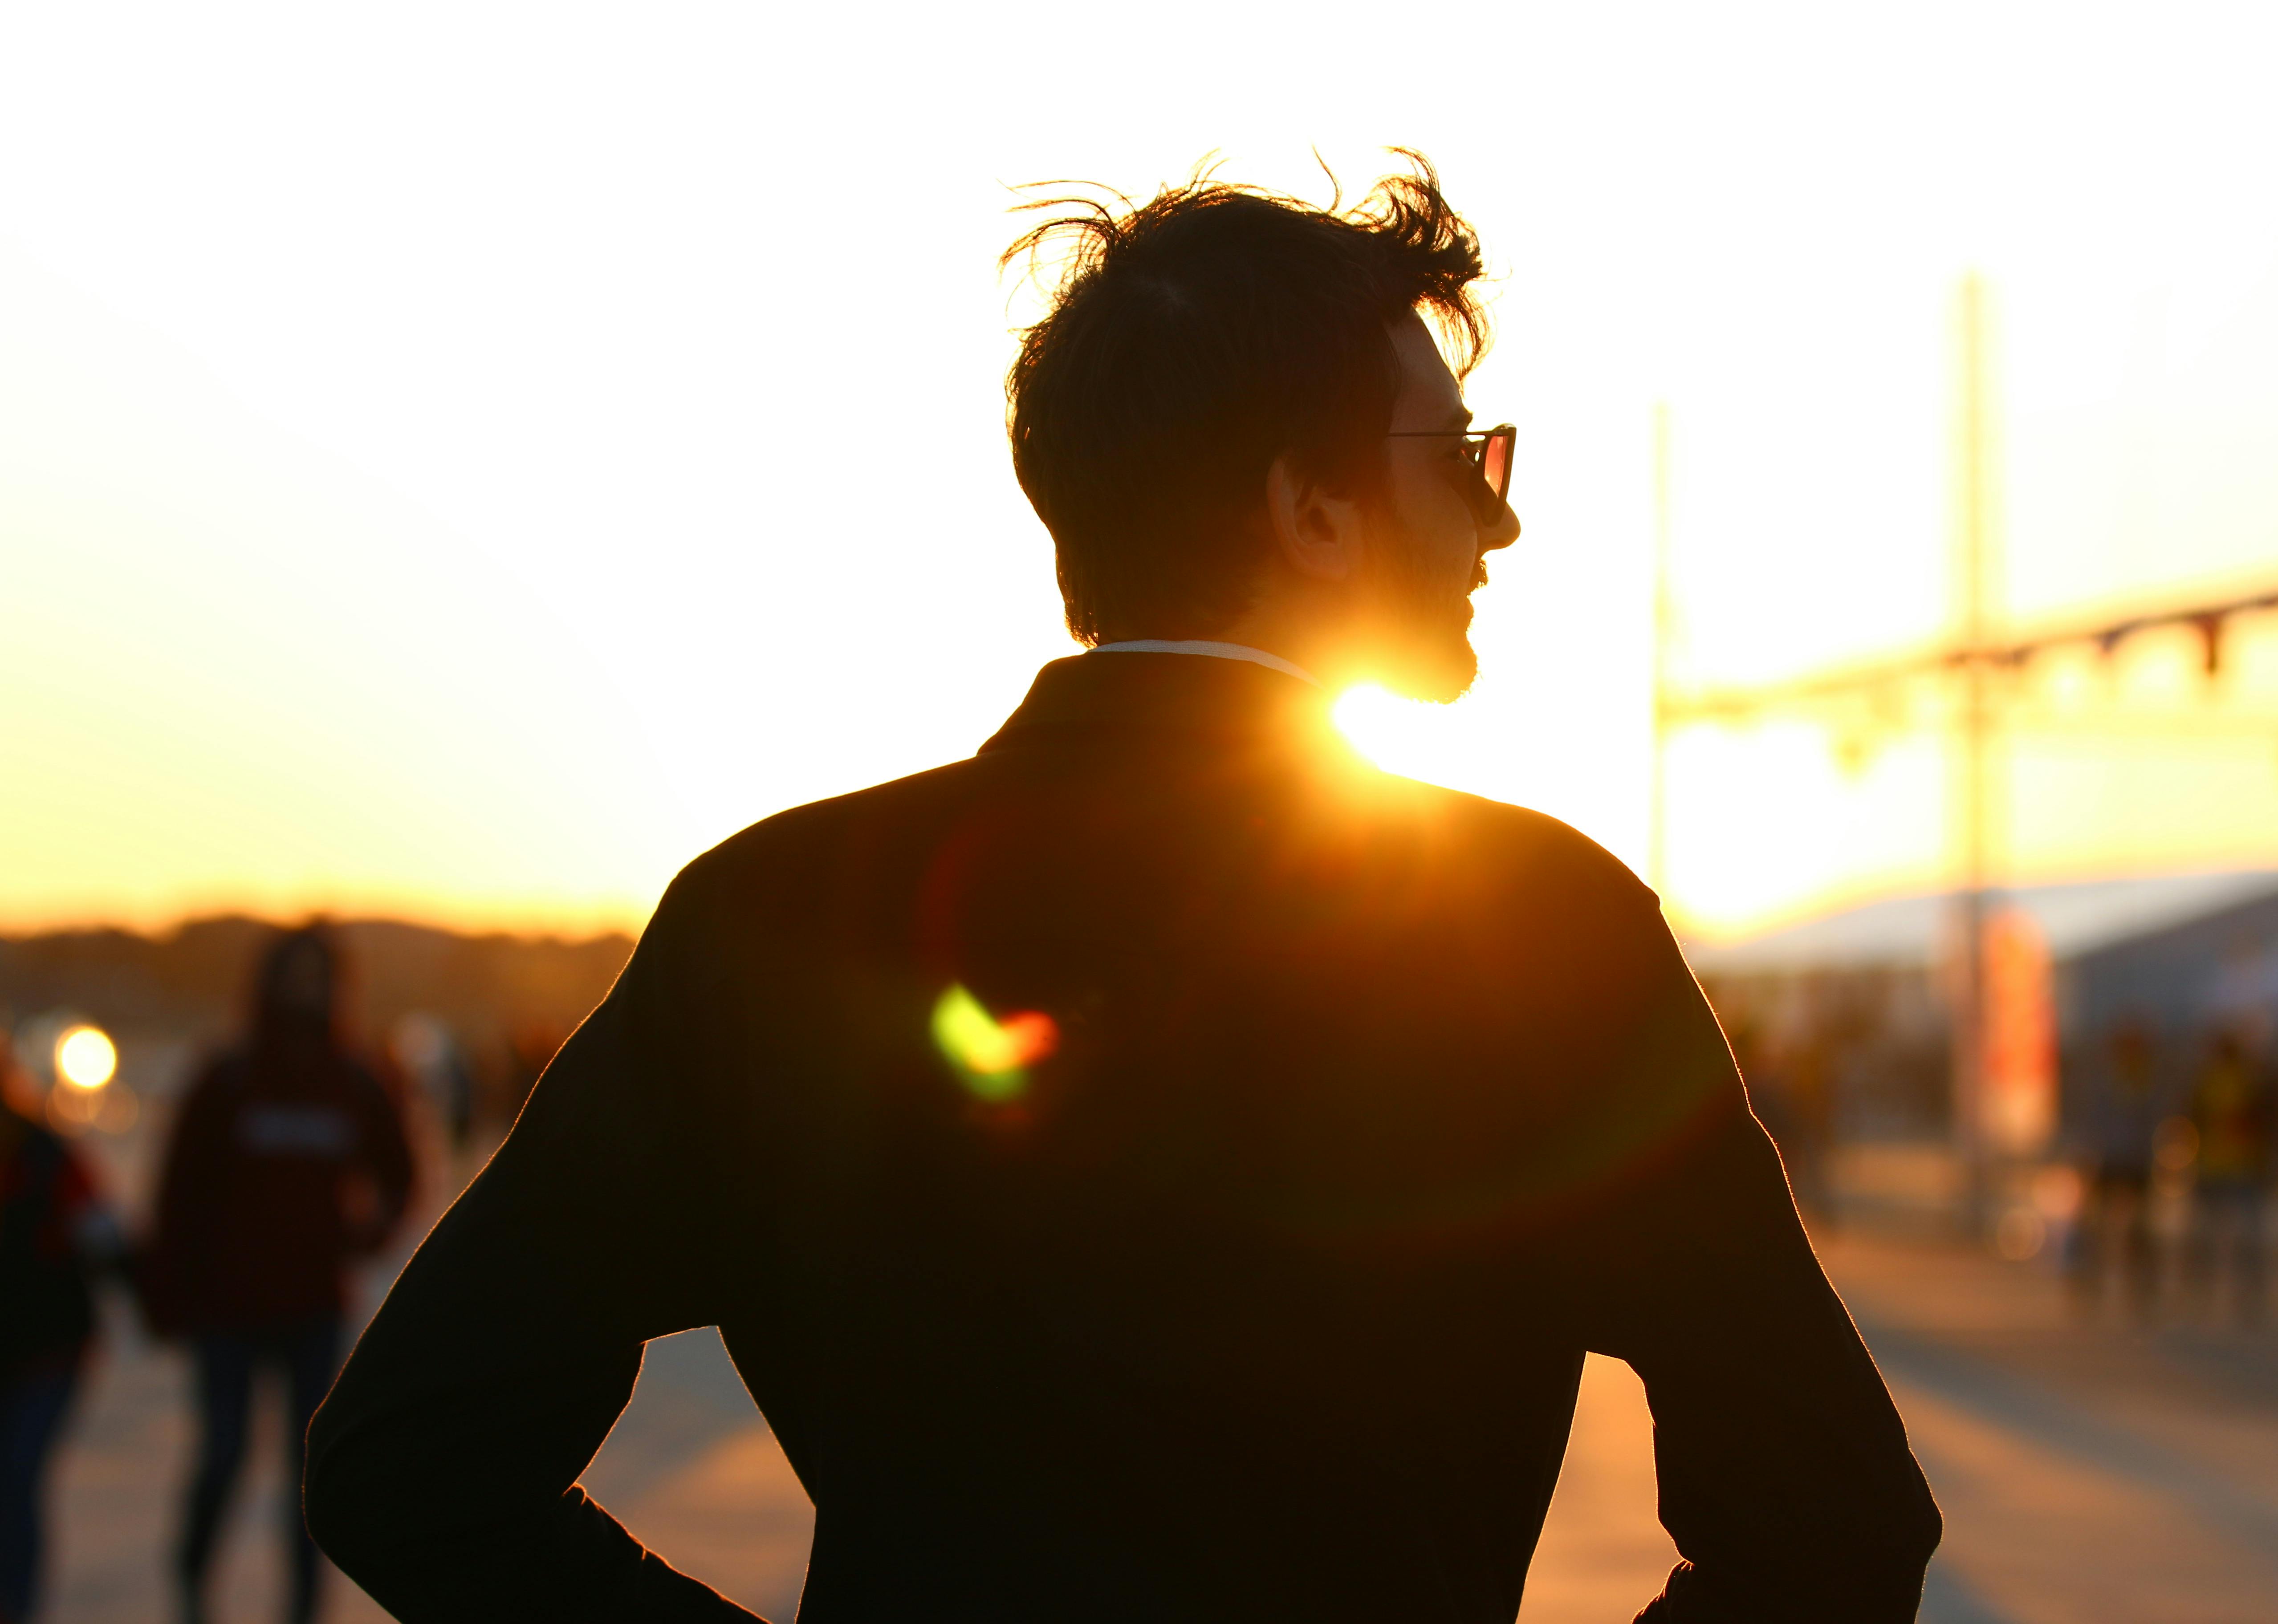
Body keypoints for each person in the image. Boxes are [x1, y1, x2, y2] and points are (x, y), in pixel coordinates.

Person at [307, 156, 1940, 1621]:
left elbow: (407, 1460)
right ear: (1310, 505)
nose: (1497, 518)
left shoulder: (771, 914)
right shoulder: (1534, 925)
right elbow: (1834, 1520)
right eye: (1463, 455)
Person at [150, 926, 416, 1624]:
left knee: (312, 1479)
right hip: (227, 1311)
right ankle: (193, 1582)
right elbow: (177, 1195)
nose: (306, 989)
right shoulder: (228, 1077)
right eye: (293, 974)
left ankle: (302, 1609)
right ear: (267, 982)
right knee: (225, 1456)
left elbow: (402, 1171)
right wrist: (168, 1296)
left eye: (318, 974)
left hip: (314, 1310)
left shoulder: (354, 1080)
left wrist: (372, 1232)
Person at [0, 1034, 122, 1624]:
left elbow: (101, 1231)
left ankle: (19, 1605)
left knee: (15, 1479)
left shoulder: (45, 1154)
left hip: (49, 1355)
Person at [2181, 1024, 2278, 1321]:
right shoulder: (2208, 1080)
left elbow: (2265, 1119)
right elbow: (2194, 1117)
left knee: (2246, 1236)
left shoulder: (2249, 1080)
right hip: (2214, 1166)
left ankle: (2248, 1294)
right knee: (2210, 1235)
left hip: (2243, 1166)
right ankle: (2203, 1293)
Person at [2069, 1016, 2162, 1318]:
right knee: (2100, 1225)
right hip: (2112, 1159)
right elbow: (2093, 1121)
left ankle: (2137, 1286)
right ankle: (2094, 1282)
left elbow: (2154, 1122)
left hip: (2133, 1159)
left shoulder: (2144, 1078)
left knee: (2137, 1228)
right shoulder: (2111, 1077)